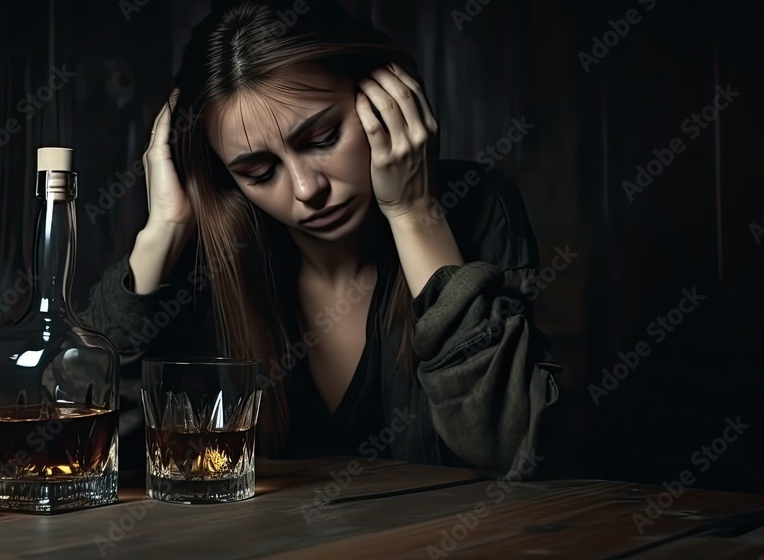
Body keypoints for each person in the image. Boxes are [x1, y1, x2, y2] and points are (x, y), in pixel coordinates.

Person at [78, 0, 561, 480]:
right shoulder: (206, 264)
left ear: (387, 98)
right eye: (259, 171)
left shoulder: (477, 206)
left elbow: (510, 448)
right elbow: (80, 448)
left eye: (325, 137)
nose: (308, 190)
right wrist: (161, 232)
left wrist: (416, 215)